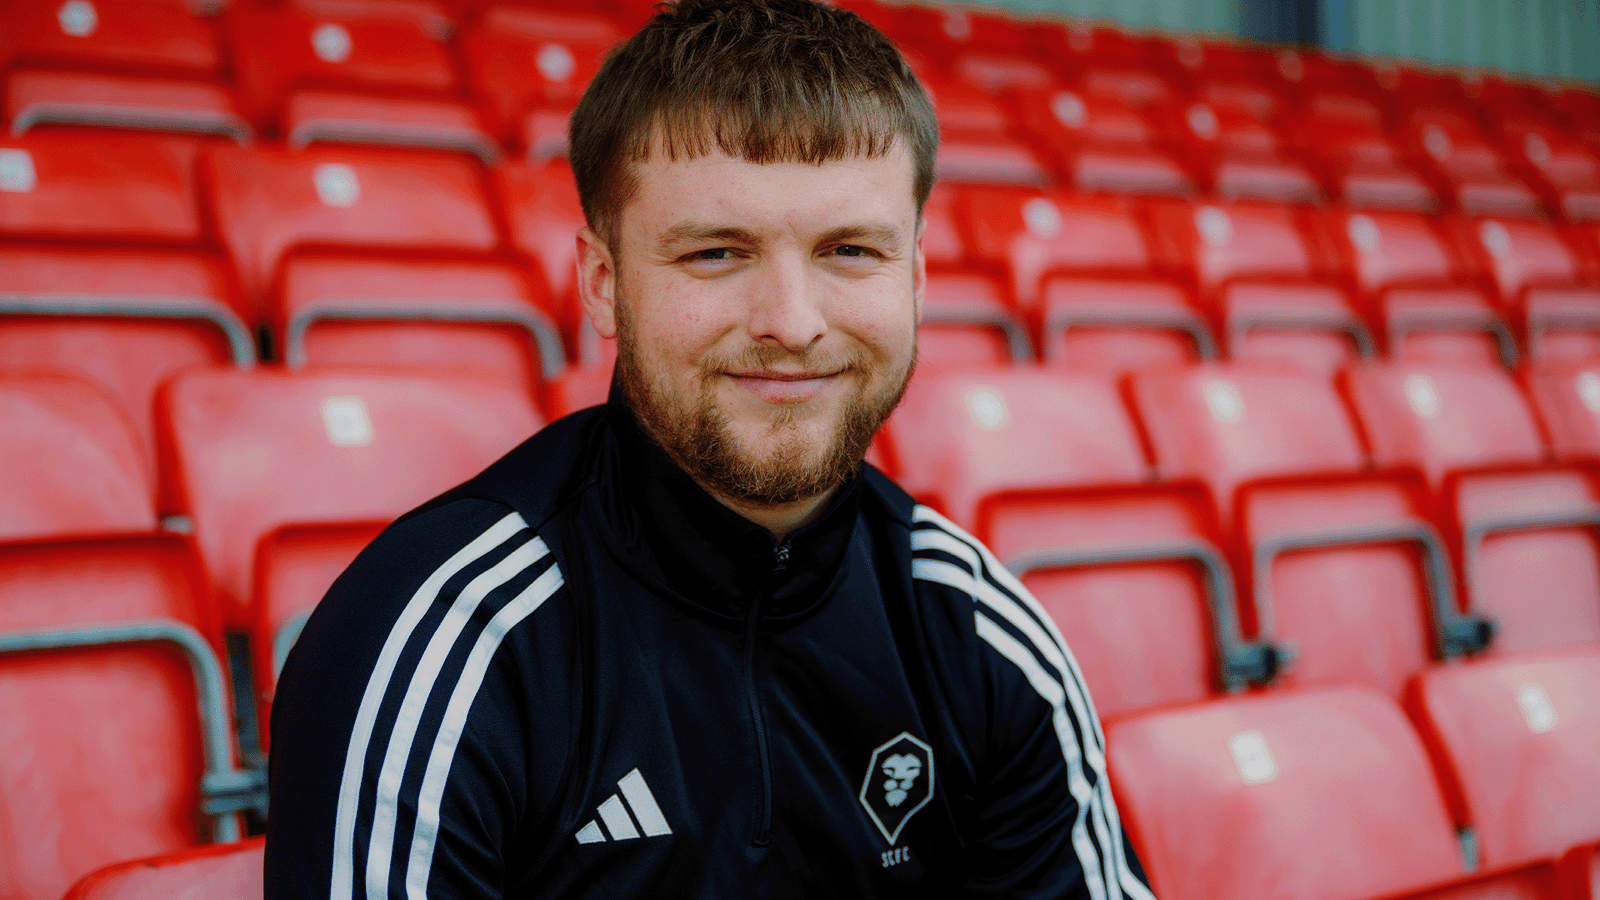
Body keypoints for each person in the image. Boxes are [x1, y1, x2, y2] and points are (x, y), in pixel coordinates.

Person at [263, 0, 1155, 896]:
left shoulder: (977, 633)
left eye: (849, 251)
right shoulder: (445, 640)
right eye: (717, 254)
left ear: (916, 278)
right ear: (604, 285)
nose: (792, 324)